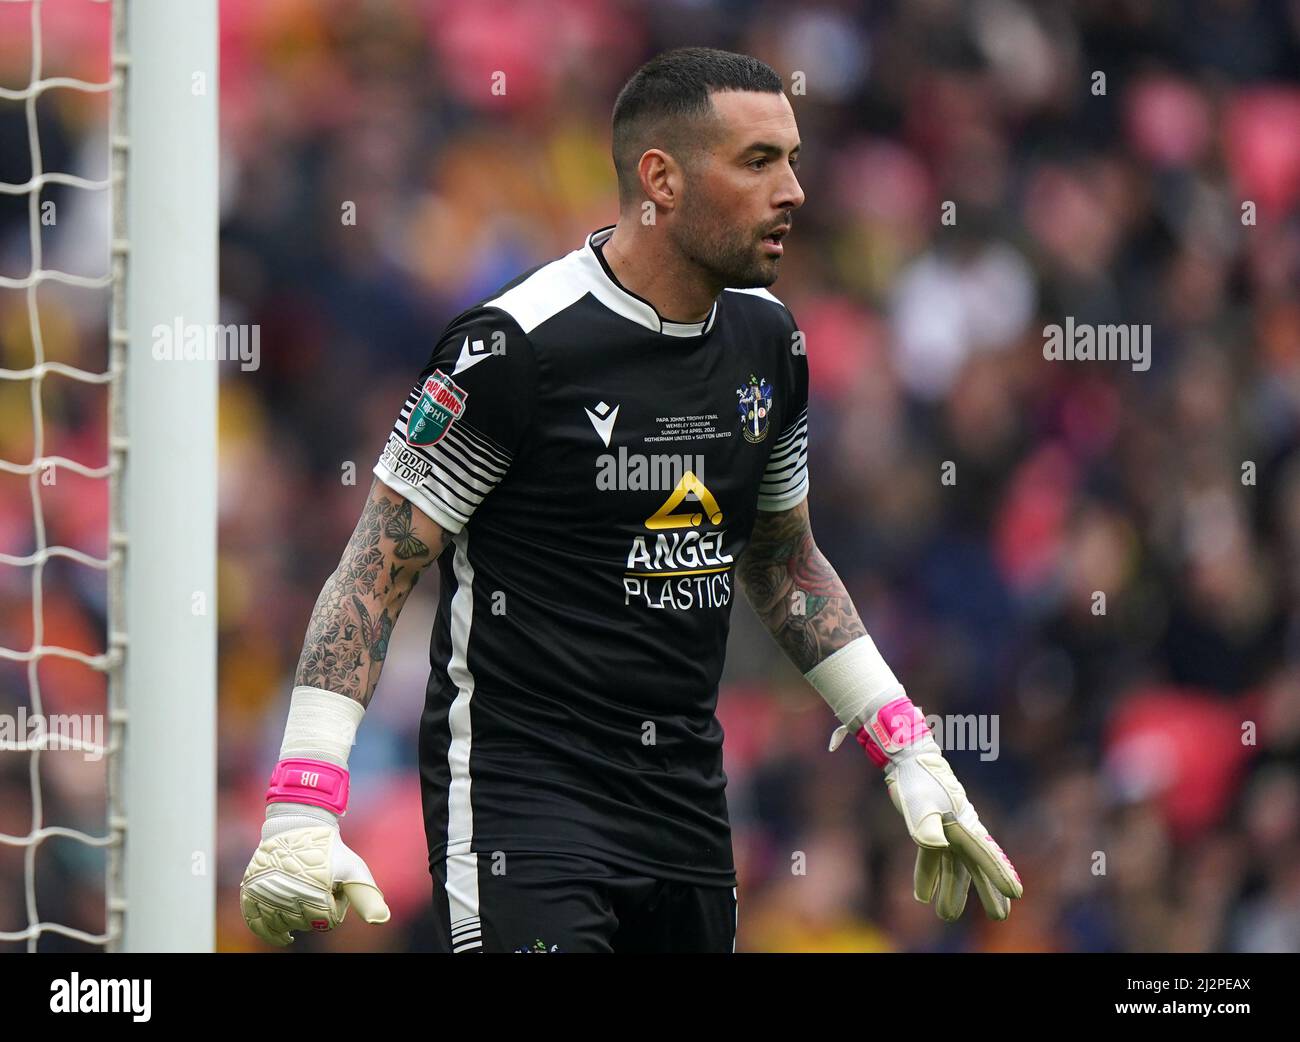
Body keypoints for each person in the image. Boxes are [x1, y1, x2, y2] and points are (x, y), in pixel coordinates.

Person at [239, 46, 1021, 953]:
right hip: (524, 811)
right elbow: (373, 573)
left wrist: (905, 744)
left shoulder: (772, 344)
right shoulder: (512, 349)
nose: (796, 190)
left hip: (686, 812)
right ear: (662, 179)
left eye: (795, 159)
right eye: (759, 161)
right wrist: (303, 797)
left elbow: (784, 564)